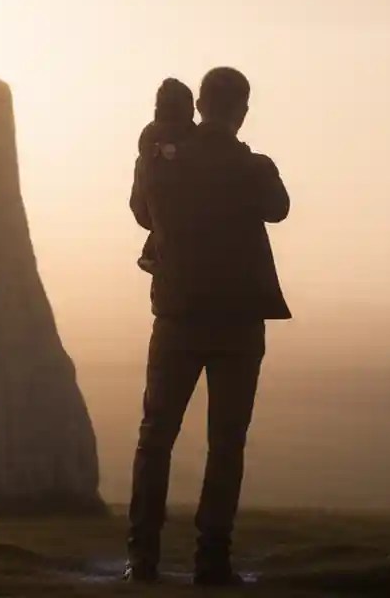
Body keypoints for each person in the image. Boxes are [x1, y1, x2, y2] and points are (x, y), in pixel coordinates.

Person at [125, 66, 291, 586]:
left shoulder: (164, 159)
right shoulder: (252, 166)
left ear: (200, 105)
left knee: (156, 438)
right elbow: (278, 208)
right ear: (241, 110)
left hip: (177, 316)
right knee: (226, 443)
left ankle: (143, 559)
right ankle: (211, 559)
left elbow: (141, 212)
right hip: (239, 324)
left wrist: (157, 140)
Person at [136, 78, 197, 274]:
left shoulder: (147, 156)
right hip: (200, 263)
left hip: (165, 267)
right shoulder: (201, 149)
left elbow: (140, 211)